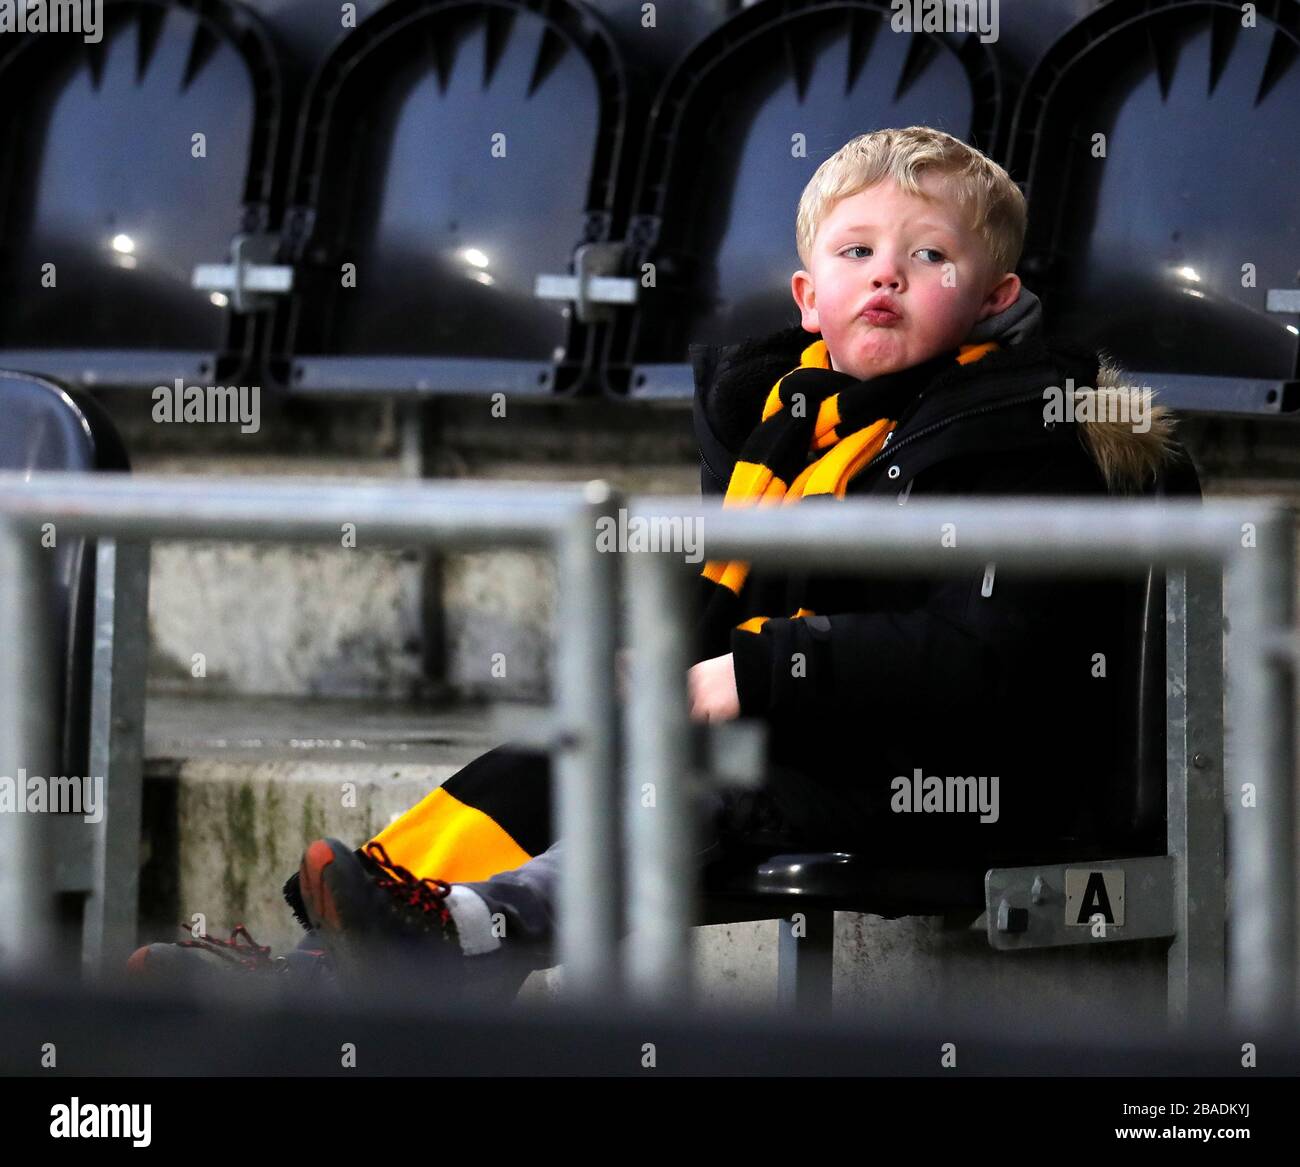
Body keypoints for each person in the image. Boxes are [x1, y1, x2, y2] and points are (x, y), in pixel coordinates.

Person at [128, 125, 1192, 1002]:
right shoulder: (789, 424)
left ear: (997, 300)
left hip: (972, 782)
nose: (887, 279)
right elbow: (733, 602)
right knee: (565, 746)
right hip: (831, 745)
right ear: (806, 295)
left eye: (930, 257)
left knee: (690, 773)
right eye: (856, 253)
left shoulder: (1027, 431)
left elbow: (989, 668)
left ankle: (468, 934)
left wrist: (762, 671)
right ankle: (344, 954)